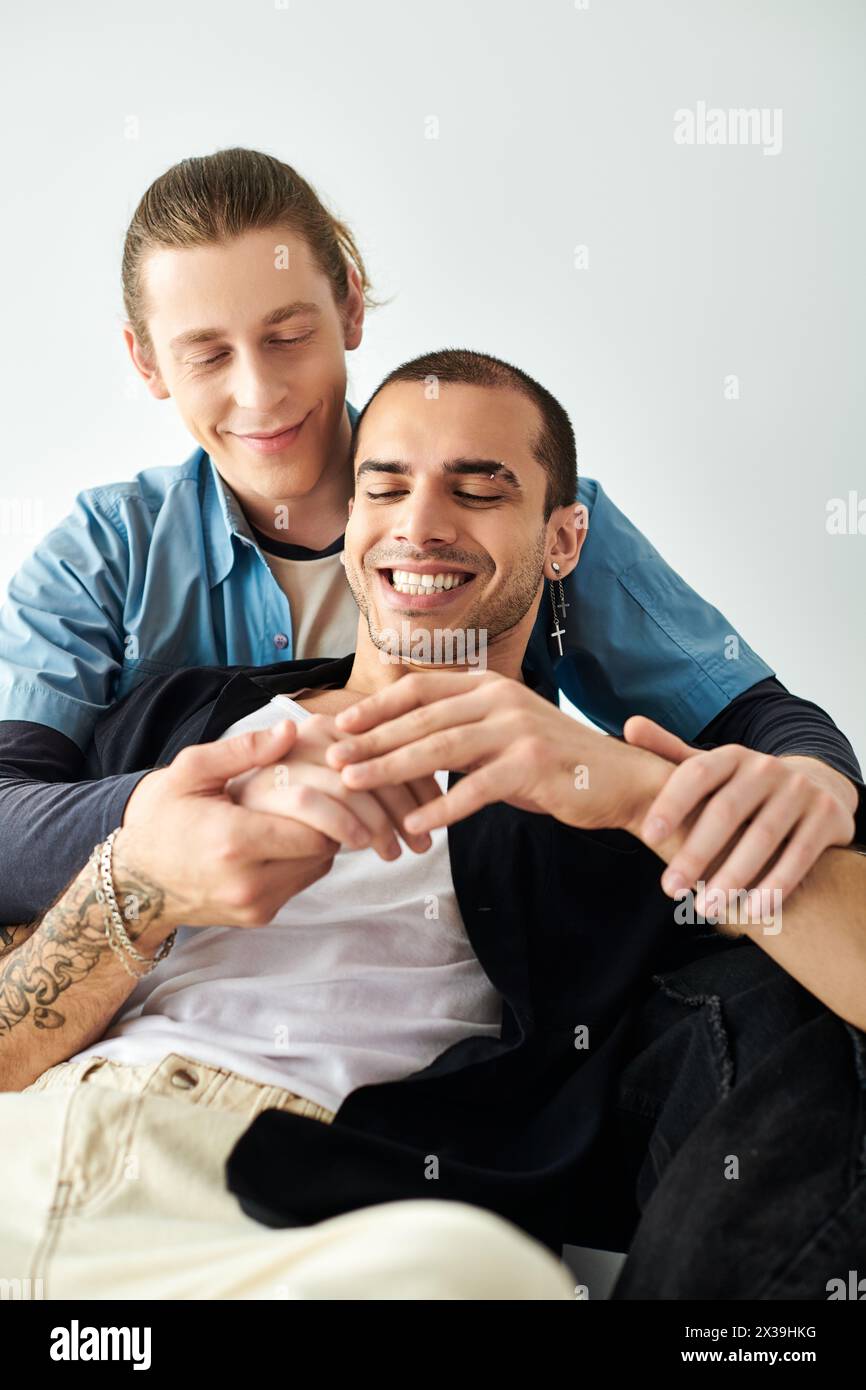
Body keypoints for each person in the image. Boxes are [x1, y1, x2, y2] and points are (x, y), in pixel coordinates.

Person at [2, 352, 864, 1300]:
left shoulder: (600, 805)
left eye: (479, 490)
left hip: (304, 1225)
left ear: (565, 539)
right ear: (348, 524)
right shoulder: (176, 721)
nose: (419, 524)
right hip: (27, 1144)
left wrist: (637, 795)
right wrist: (138, 877)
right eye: (386, 488)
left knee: (483, 1277)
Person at [0, 150, 862, 932]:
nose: (259, 394)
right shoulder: (104, 554)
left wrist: (818, 780)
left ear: (348, 303)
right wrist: (177, 812)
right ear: (146, 362)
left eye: (288, 336)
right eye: (206, 355)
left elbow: (755, 720)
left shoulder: (523, 517)